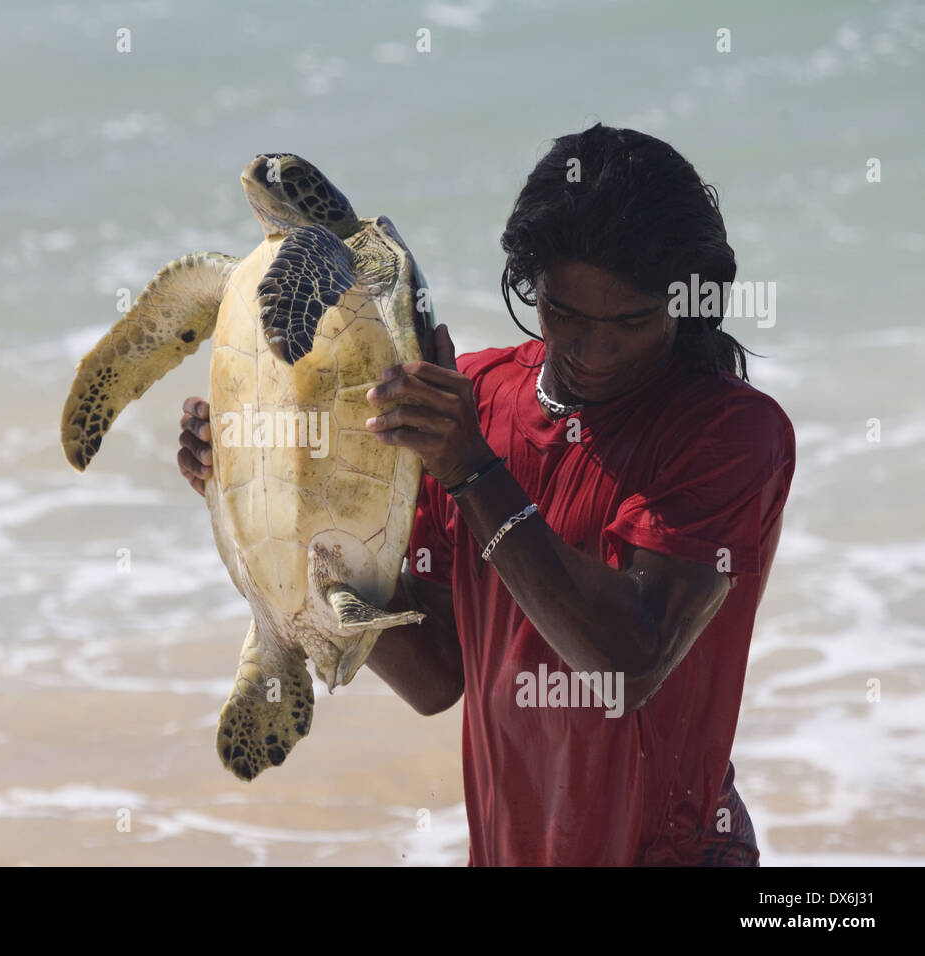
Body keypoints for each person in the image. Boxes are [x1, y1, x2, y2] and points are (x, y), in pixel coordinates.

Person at [176, 124, 796, 866]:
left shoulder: (728, 433)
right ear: (529, 285)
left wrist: (472, 470)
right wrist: (264, 489)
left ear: (686, 299)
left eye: (632, 321)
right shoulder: (484, 397)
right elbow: (436, 673)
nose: (594, 350)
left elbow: (627, 664)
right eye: (565, 313)